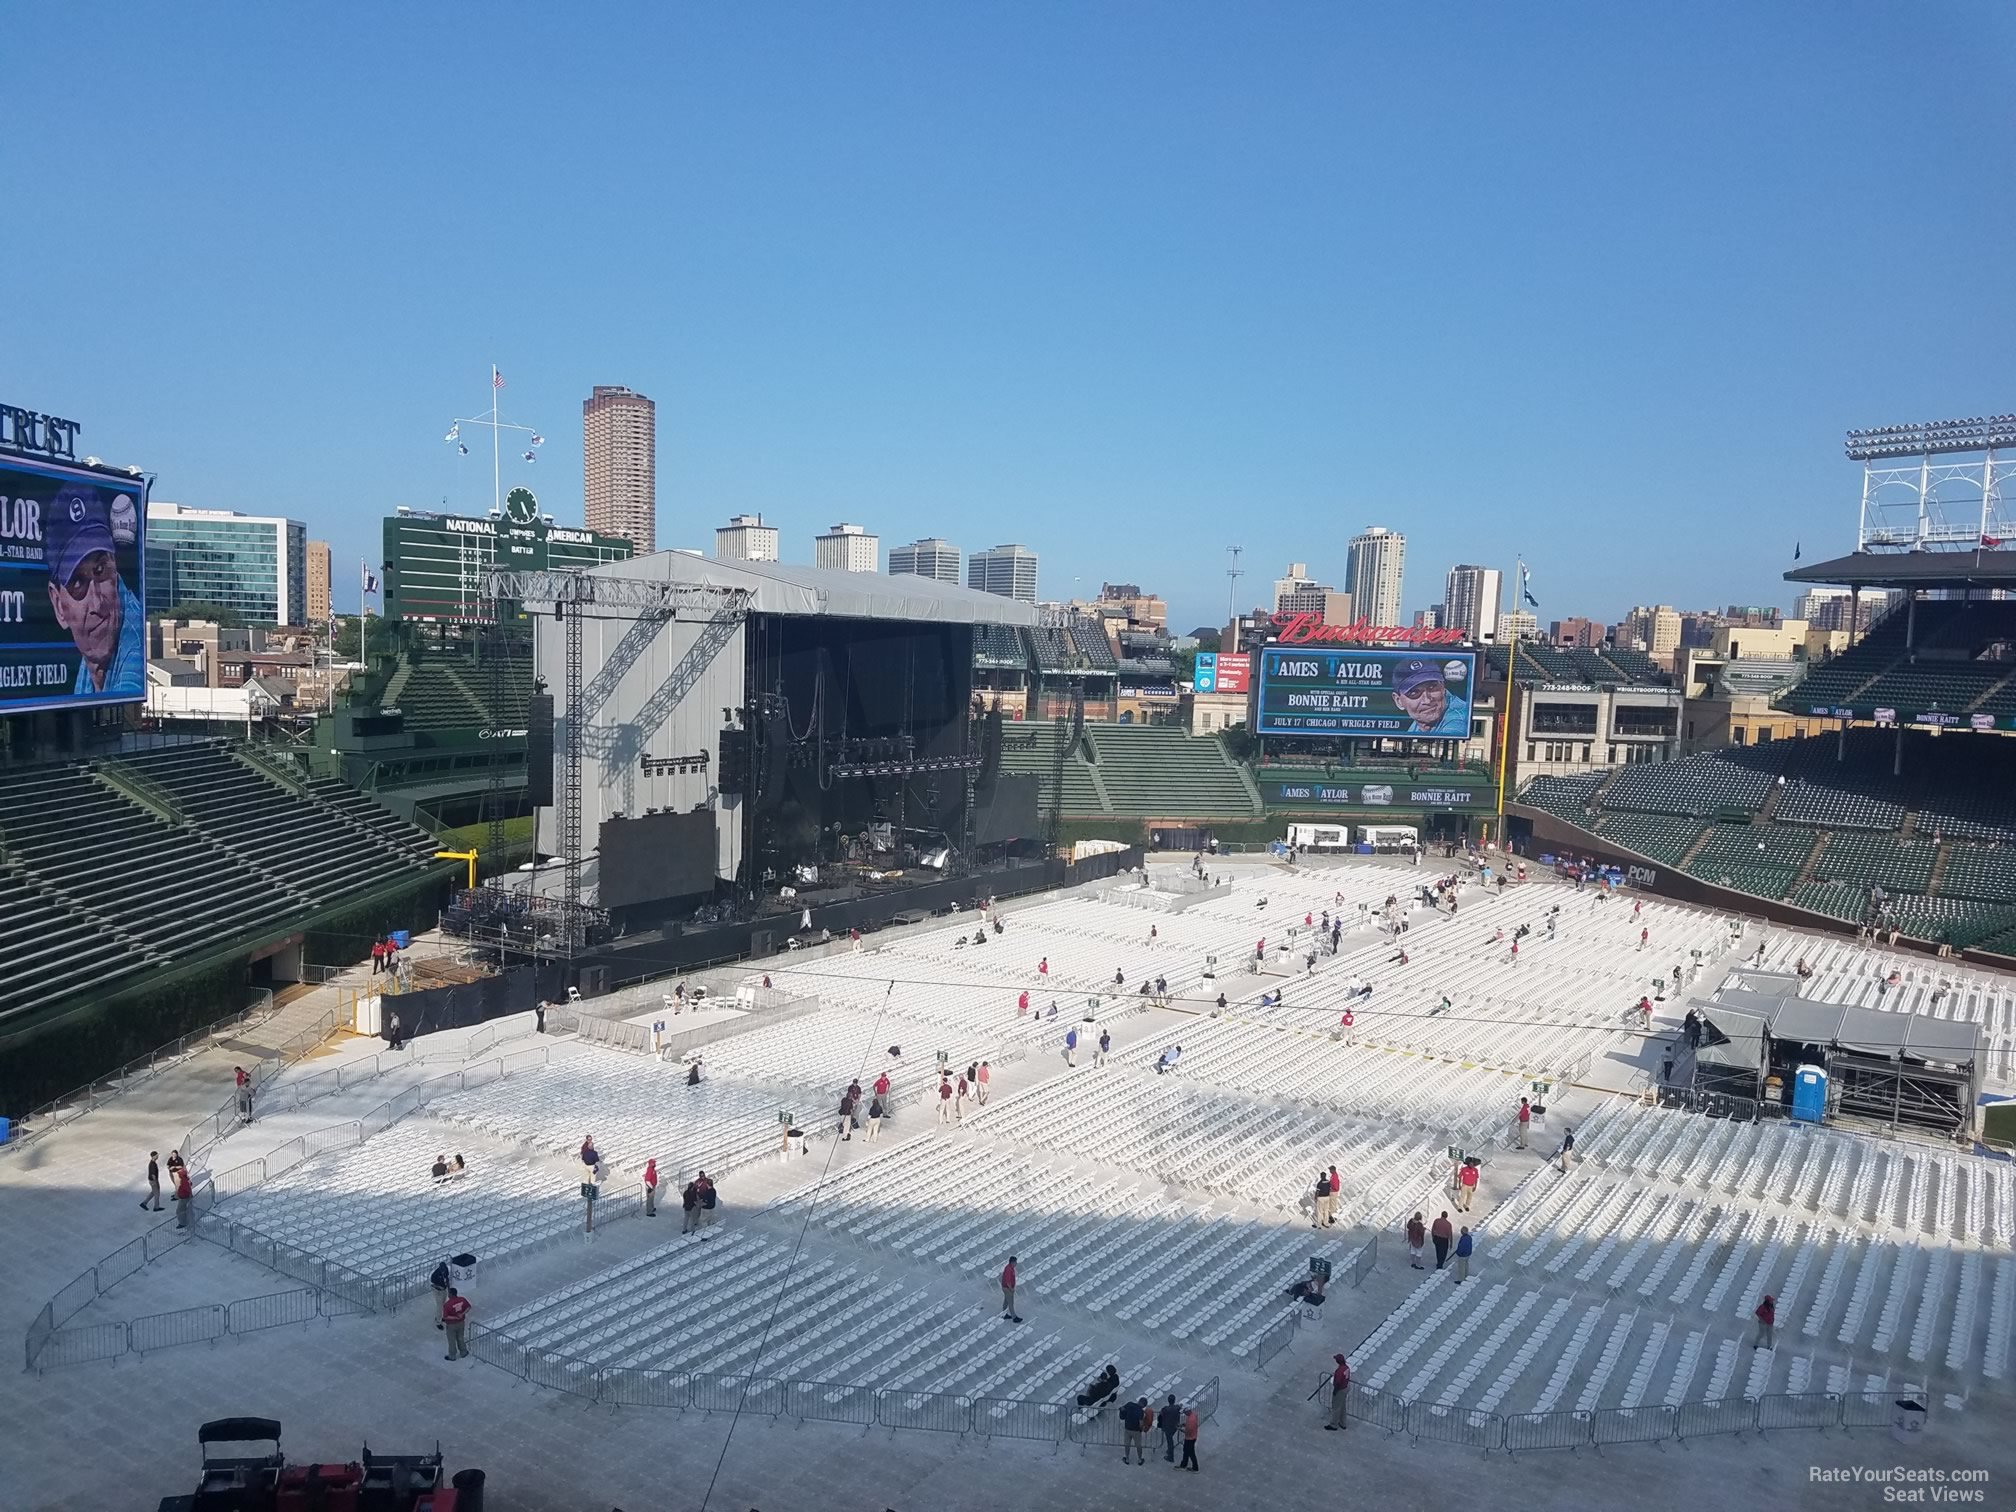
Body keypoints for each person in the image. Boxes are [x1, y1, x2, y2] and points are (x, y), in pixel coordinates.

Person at [43, 484, 145, 698]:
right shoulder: (93, 659)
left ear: (115, 565)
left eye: (101, 570)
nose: (97, 604)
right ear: (58, 605)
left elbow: (130, 690)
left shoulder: (134, 649)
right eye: (78, 584)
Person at [441, 1286, 471, 1360]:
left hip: (451, 1325)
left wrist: (455, 1317)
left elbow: (446, 1317)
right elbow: (468, 1307)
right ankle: (463, 1352)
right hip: (461, 1323)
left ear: (450, 1294)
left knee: (452, 1340)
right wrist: (462, 1314)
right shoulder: (462, 1299)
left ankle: (452, 1355)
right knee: (460, 1337)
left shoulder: (447, 1305)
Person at [1121, 1396, 1149, 1464]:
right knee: (1138, 1445)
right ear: (1143, 1405)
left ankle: (1127, 1458)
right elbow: (1141, 1423)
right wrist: (1141, 1429)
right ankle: (1140, 1459)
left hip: (1127, 1428)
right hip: (1136, 1430)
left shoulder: (1129, 1404)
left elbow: (1122, 1408)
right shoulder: (1141, 1411)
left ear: (1139, 1401)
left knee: (1127, 1444)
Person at [1326, 1354, 1351, 1430]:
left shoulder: (1340, 1370)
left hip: (1340, 1389)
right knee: (1342, 1406)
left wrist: (1335, 1391)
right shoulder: (1346, 1367)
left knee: (1336, 1407)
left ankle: (1334, 1425)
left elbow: (1338, 1382)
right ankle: (1343, 1423)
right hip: (1346, 1387)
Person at [1156, 1395, 1182, 1462]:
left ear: (1168, 1400)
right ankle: (1169, 1451)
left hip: (1167, 1427)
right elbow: (1180, 1406)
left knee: (1170, 1441)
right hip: (1175, 1426)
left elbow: (1160, 1415)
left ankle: (1171, 1457)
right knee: (1170, 1439)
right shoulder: (1177, 1407)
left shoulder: (1165, 1409)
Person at [430, 1258, 453, 1325]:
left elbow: (447, 1279)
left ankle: (444, 1317)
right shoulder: (435, 1275)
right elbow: (433, 1284)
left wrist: (449, 1290)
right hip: (437, 1290)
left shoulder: (446, 1270)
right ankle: (438, 1319)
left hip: (443, 1289)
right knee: (439, 1306)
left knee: (444, 1304)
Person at [1000, 1254, 1022, 1322]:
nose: (1016, 1263)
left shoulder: (1010, 1268)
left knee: (1006, 1301)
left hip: (1007, 1287)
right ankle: (1014, 1317)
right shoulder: (1008, 1269)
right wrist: (1011, 1289)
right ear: (1012, 1262)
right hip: (1007, 1288)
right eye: (1015, 1262)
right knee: (1011, 1303)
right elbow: (1008, 1281)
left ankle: (1004, 1314)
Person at [1179, 1403, 1200, 1471]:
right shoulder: (1193, 1415)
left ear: (1187, 1410)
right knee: (1186, 1451)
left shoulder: (1191, 1420)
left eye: (1184, 1412)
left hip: (1190, 1438)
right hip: (1192, 1437)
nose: (1184, 1413)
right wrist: (1184, 1424)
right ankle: (1183, 1464)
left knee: (1190, 1453)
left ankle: (1195, 1468)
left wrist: (1180, 1429)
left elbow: (1188, 1431)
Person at [173, 1161, 194, 1228]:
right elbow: (190, 1183)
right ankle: (187, 1220)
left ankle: (183, 1223)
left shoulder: (180, 1177)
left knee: (179, 1211)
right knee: (187, 1210)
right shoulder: (184, 1174)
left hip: (184, 1197)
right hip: (185, 1196)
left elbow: (186, 1186)